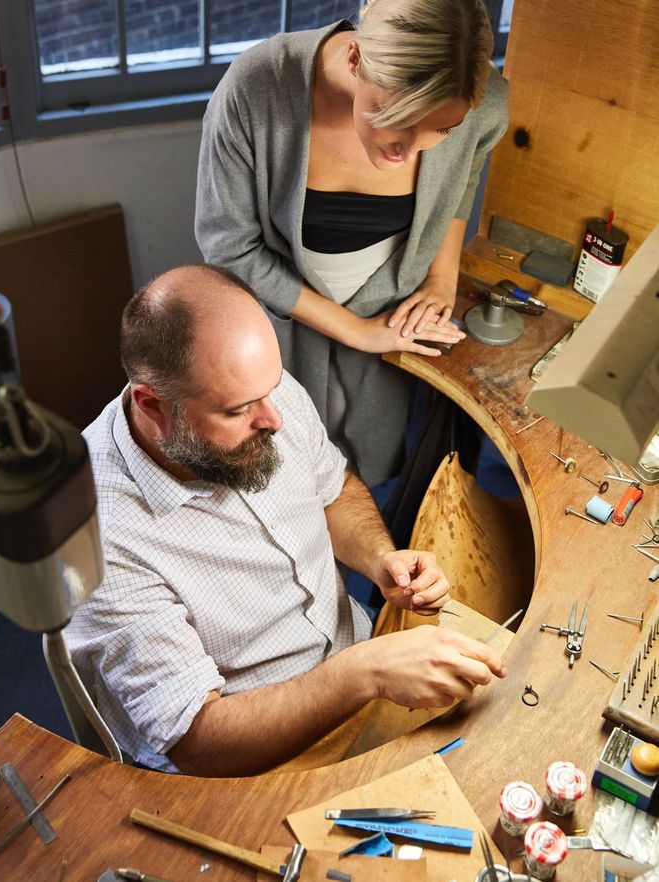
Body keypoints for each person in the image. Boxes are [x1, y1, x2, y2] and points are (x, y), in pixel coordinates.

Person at [65, 264, 507, 777]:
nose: (273, 420)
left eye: (271, 390)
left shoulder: (255, 389)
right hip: (254, 757)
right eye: (239, 411)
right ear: (152, 405)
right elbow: (198, 739)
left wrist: (381, 558)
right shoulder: (96, 538)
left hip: (359, 666)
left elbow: (332, 488)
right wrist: (366, 674)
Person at [195, 0, 509, 487]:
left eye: (441, 130)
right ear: (356, 59)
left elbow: (463, 177)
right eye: (396, 117)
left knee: (372, 469)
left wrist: (442, 275)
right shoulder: (258, 88)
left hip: (390, 322)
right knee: (281, 469)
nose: (407, 153)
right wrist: (357, 330)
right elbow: (229, 247)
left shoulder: (484, 104)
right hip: (281, 323)